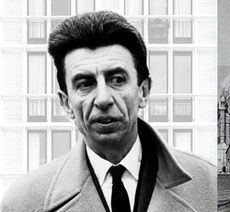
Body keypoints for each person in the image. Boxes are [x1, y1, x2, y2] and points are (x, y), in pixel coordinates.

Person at [1, 11, 215, 212]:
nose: (103, 99)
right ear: (66, 103)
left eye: (117, 80)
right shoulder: (24, 202)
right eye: (85, 84)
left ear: (143, 91)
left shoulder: (209, 184)